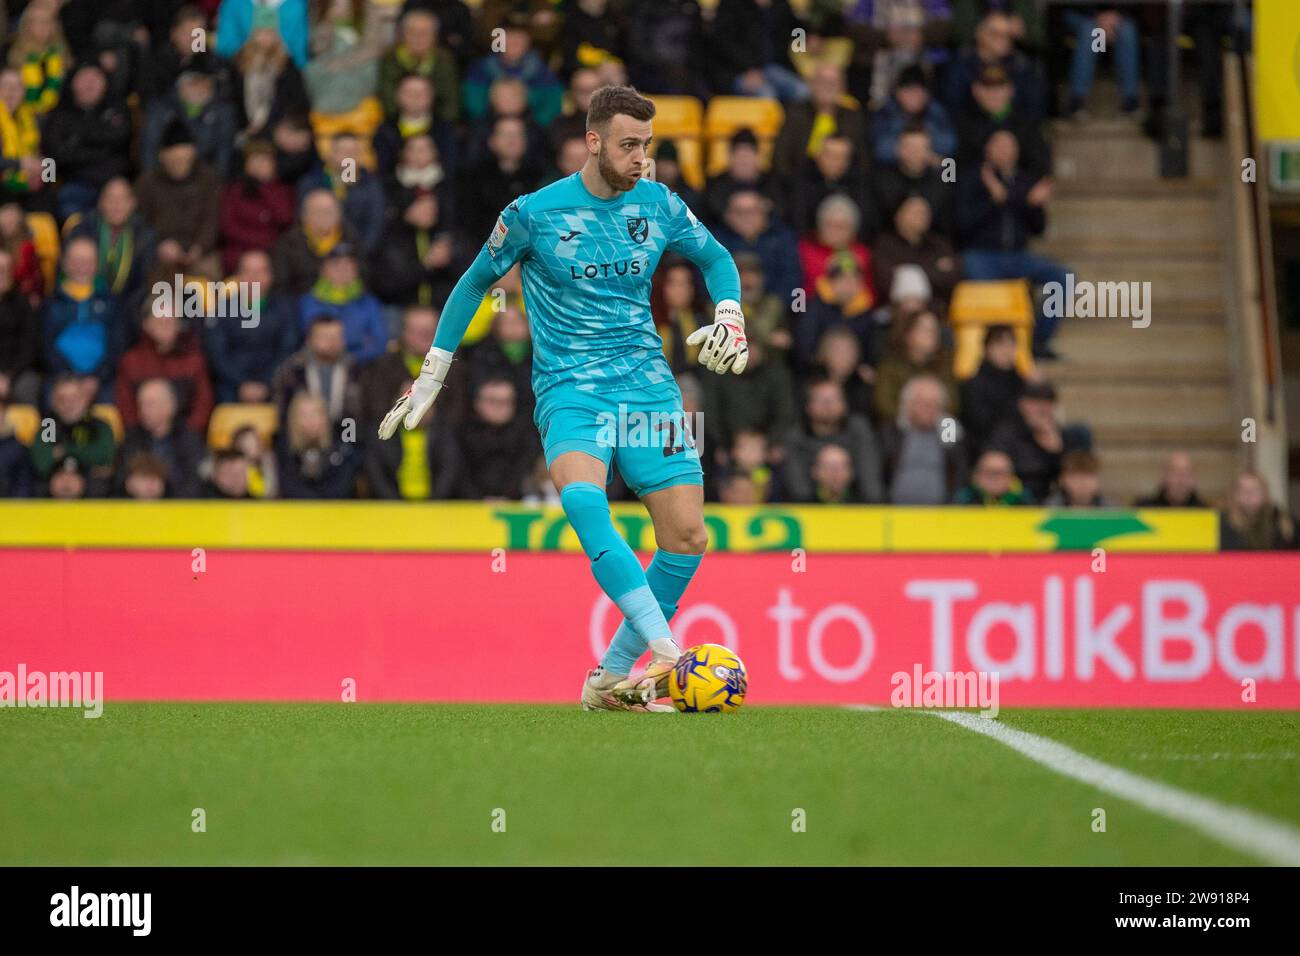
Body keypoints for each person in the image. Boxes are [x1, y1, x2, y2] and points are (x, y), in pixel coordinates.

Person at [377, 85, 750, 713]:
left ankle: (608, 677)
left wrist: (732, 315)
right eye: (629, 146)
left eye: (647, 147)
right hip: (570, 388)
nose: (641, 160)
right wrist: (433, 372)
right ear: (594, 142)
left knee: (687, 536)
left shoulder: (658, 204)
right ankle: (664, 651)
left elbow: (716, 259)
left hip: (649, 387)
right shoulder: (533, 213)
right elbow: (472, 285)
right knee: (583, 499)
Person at [1218, 471, 1298, 551]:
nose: (1249, 494)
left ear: (1265, 493)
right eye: (1242, 490)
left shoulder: (1282, 521)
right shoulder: (1223, 522)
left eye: (1255, 489)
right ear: (1234, 494)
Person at [1134, 451, 1208, 508]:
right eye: (1175, 473)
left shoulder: (1208, 513)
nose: (1181, 481)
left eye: (1186, 474)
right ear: (1164, 475)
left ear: (1193, 478)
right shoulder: (1142, 509)